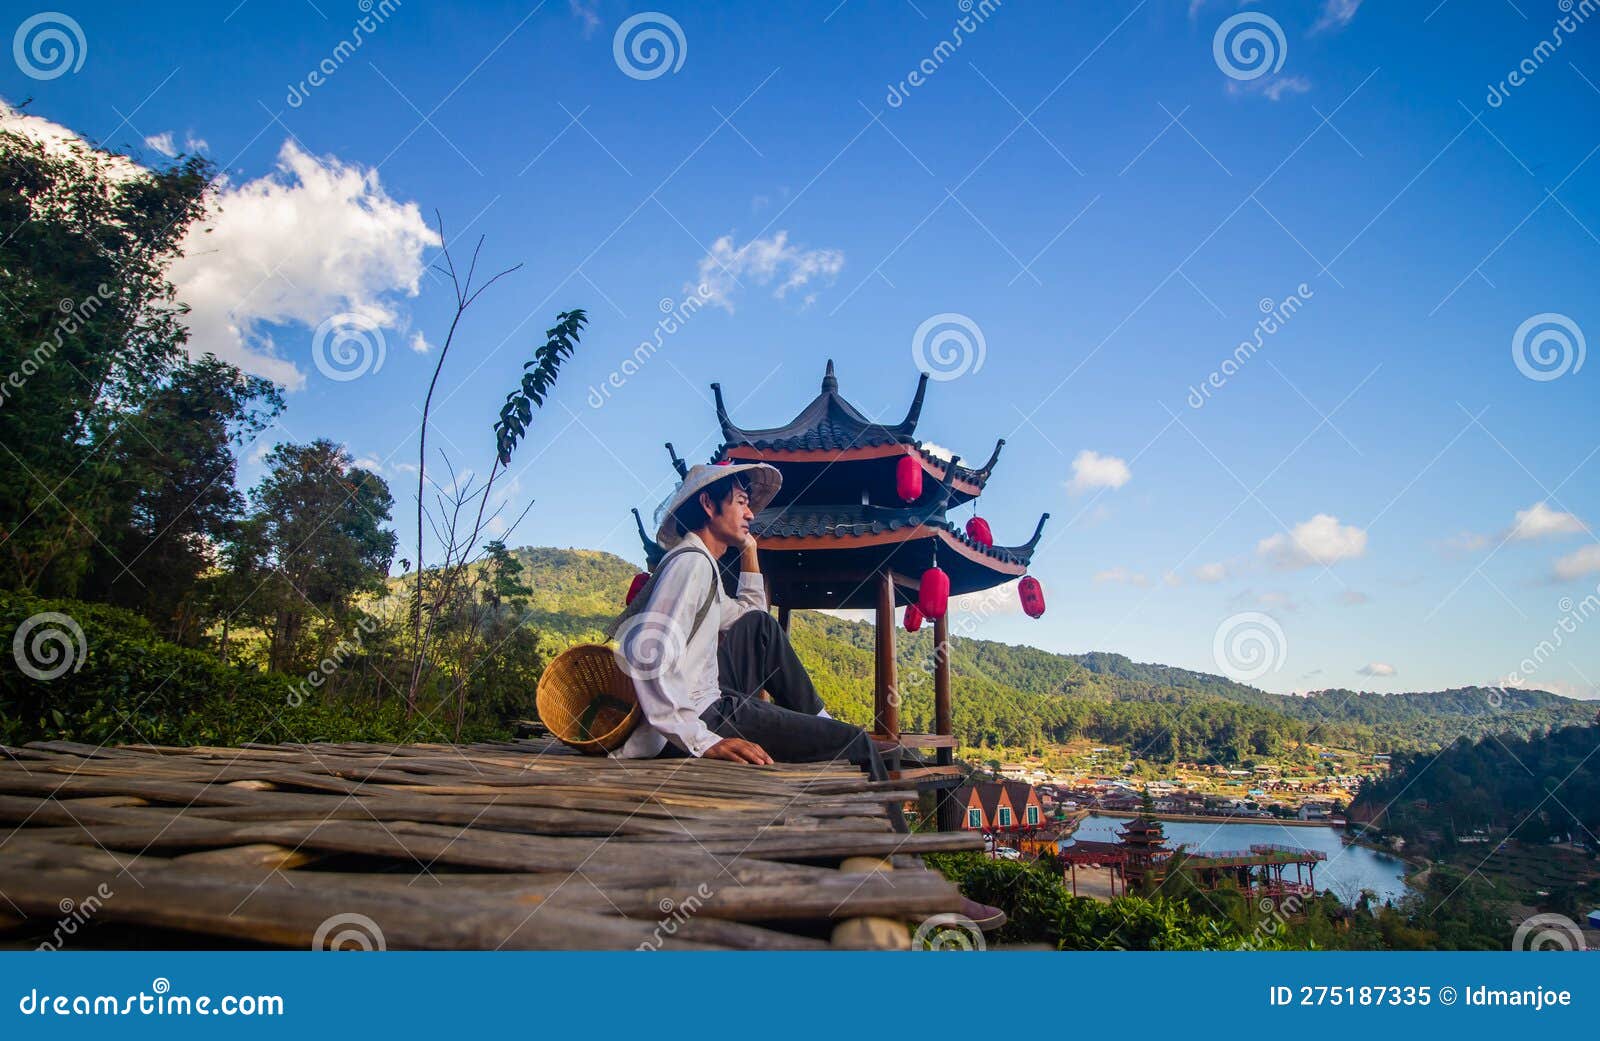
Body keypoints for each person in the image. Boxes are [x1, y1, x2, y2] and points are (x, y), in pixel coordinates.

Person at [610, 462, 888, 781]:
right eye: (741, 502)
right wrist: (701, 740)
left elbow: (753, 616)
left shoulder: (701, 562)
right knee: (856, 743)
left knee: (761, 627)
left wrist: (749, 549)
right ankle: (891, 827)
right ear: (708, 504)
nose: (751, 514)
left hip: (708, 697)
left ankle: (822, 722)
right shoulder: (691, 565)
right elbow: (650, 654)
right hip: (696, 718)